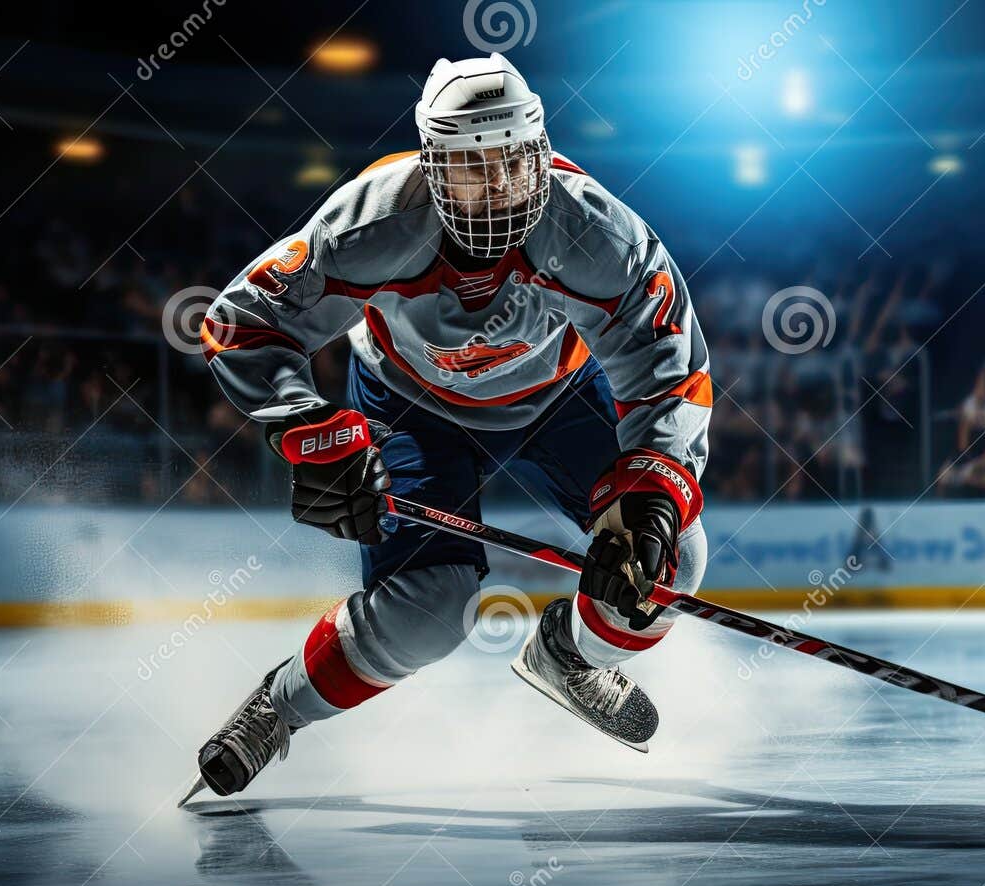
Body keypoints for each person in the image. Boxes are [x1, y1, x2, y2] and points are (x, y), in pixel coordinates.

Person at [184, 54, 711, 801]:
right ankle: (280, 705)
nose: (498, 190)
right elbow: (243, 321)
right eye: (472, 167)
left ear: (541, 152)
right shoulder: (370, 220)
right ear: (431, 167)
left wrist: (652, 497)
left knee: (672, 558)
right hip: (409, 405)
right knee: (429, 613)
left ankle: (572, 655)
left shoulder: (600, 231)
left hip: (557, 398)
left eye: (513, 163)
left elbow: (671, 369)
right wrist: (311, 432)